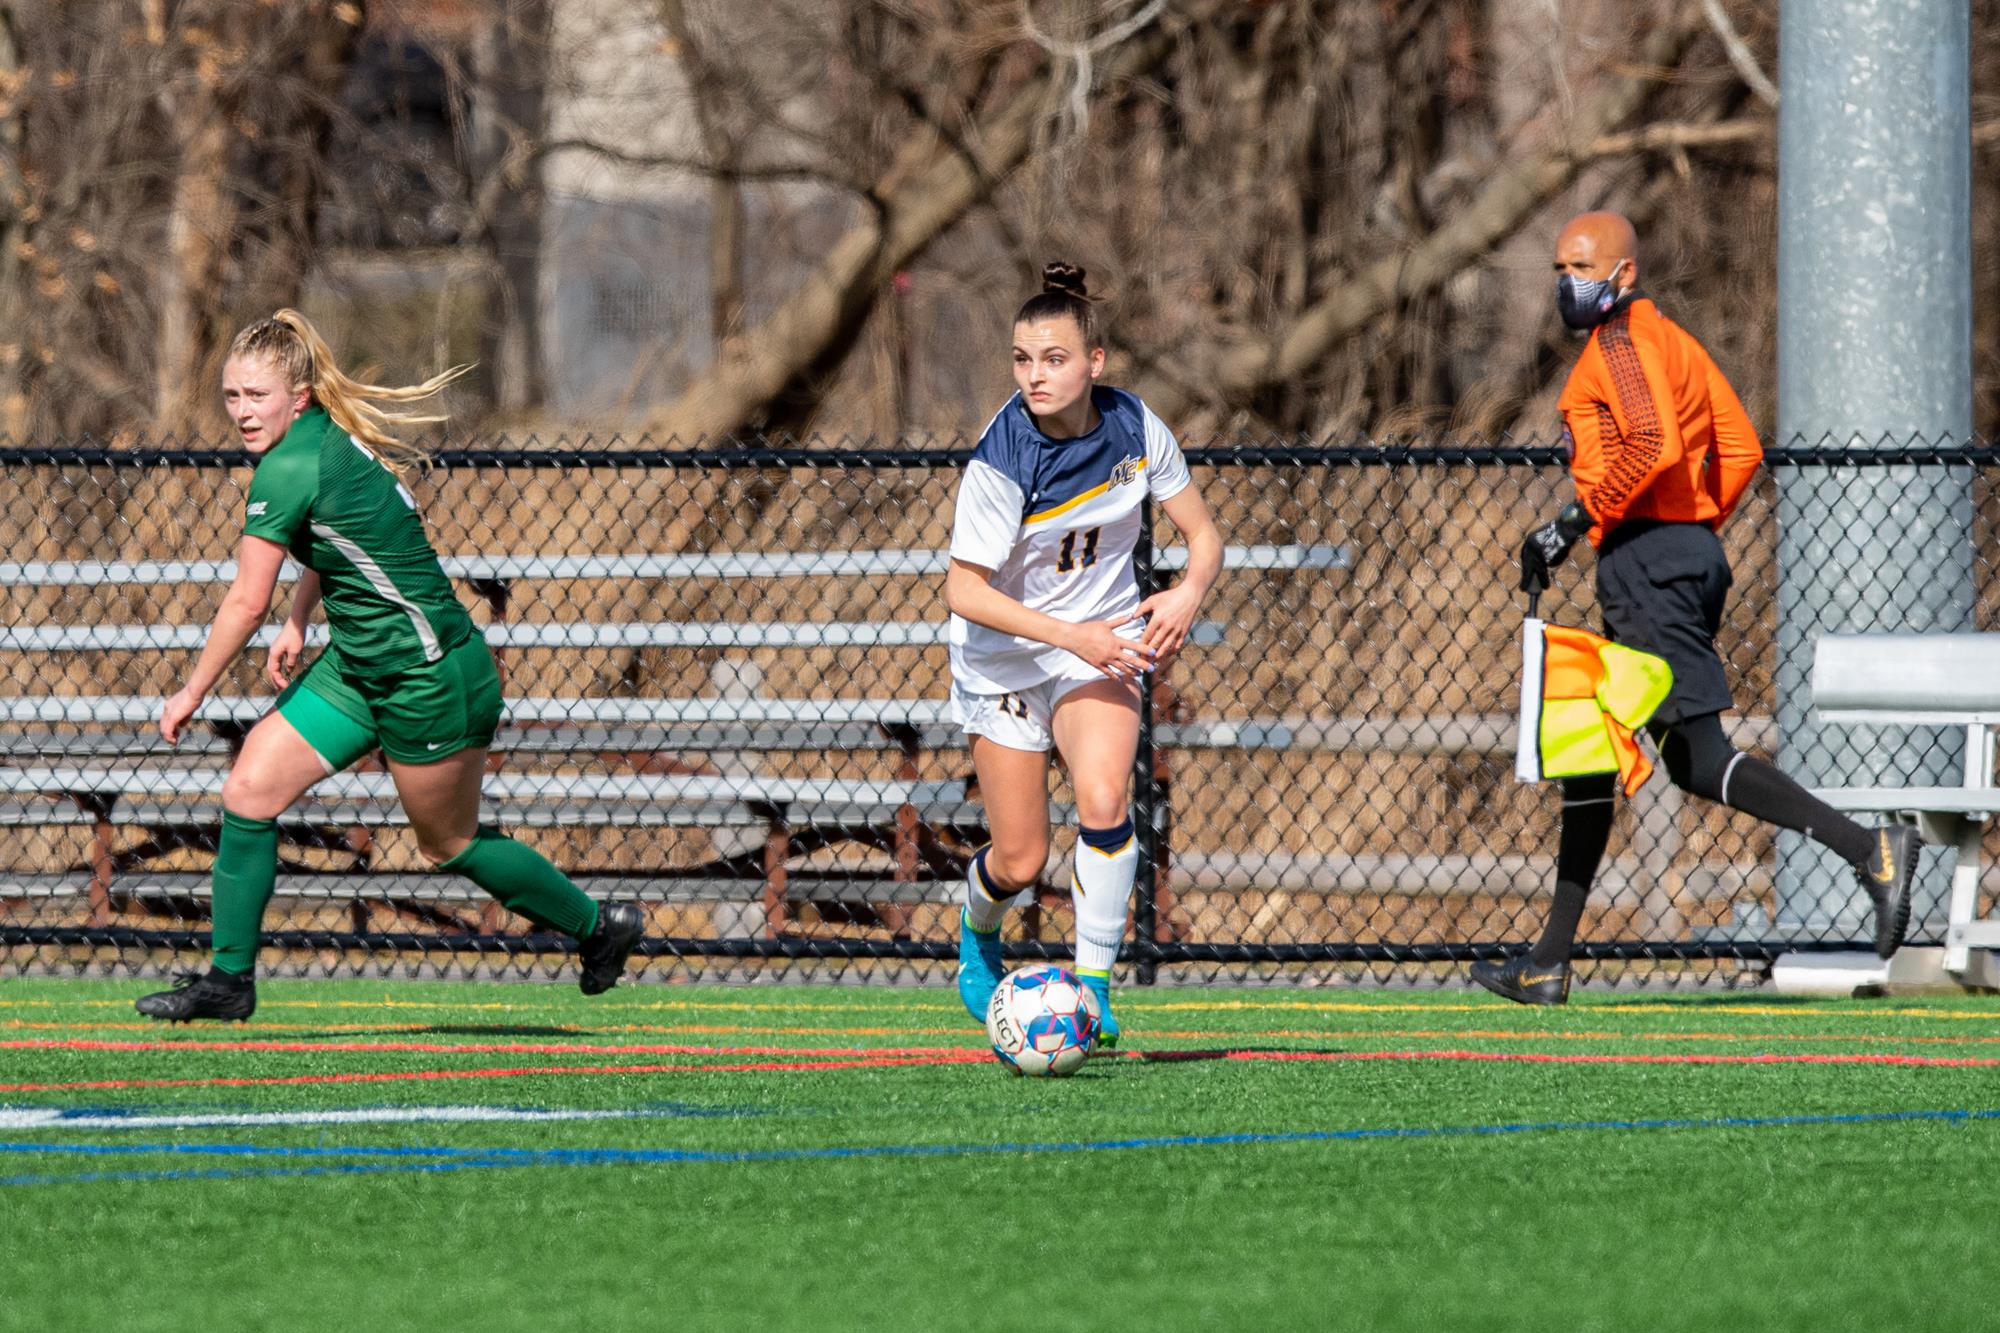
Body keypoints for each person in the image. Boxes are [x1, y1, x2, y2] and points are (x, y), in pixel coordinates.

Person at [135, 311, 643, 1022]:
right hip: (360, 665)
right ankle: (228, 980)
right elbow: (339, 537)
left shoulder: (288, 464)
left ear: (300, 397)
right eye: (232, 396)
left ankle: (599, 927)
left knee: (449, 844)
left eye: (258, 396)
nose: (243, 412)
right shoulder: (325, 445)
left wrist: (190, 691)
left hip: (429, 676)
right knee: (250, 788)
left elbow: (245, 601)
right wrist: (302, 616)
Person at [1473, 211, 1920, 1006]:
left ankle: (1871, 848)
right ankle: (1547, 959)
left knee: (1698, 758)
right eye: (1559, 268)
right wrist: (1695, 530)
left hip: (1647, 562)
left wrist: (1573, 524)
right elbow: (1740, 446)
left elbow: (1648, 445)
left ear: (1624, 274)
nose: (1566, 283)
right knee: (1596, 742)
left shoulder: (1615, 346)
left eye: (1581, 266)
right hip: (1677, 554)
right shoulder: (1672, 341)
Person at [945, 262, 1224, 1046]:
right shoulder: (1004, 455)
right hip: (1006, 657)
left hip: (1094, 651)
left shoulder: (1137, 427)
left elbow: (1204, 538)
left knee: (1104, 802)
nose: (1036, 375)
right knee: (1021, 857)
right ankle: (977, 930)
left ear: (1094, 363)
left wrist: (1187, 591)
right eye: (1022, 360)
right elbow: (963, 591)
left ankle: (1092, 992)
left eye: (1055, 358)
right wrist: (1074, 635)